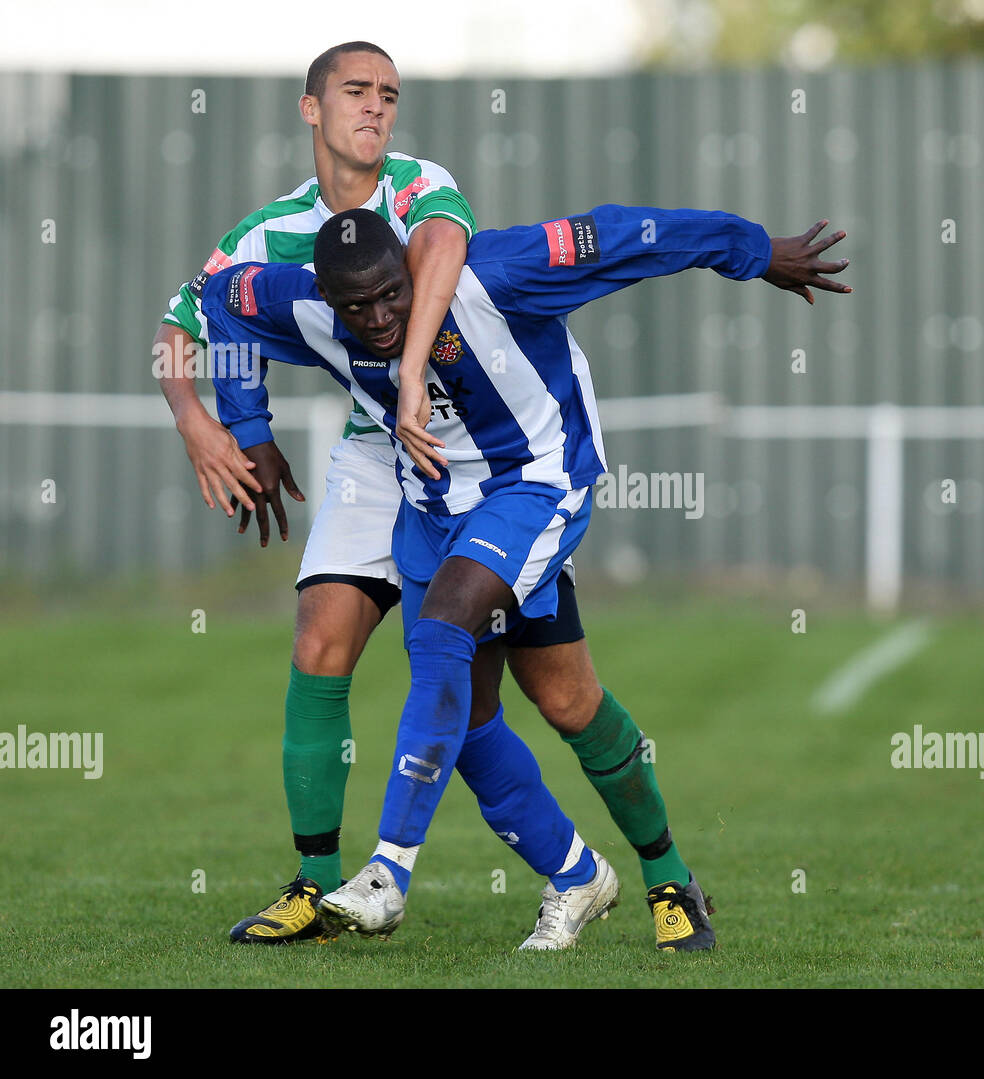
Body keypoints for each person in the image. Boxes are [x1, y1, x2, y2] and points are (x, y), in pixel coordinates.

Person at [157, 40, 713, 951]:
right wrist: (207, 421)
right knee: (320, 640)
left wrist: (411, 369)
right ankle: (321, 884)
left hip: (483, 459)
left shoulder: (420, 189)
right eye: (355, 92)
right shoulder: (266, 235)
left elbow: (450, 246)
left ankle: (661, 873)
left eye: (389, 94)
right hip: (378, 460)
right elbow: (194, 318)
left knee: (566, 698)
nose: (376, 108)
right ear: (311, 109)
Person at [199, 203, 851, 942]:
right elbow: (219, 303)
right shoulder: (302, 302)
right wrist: (248, 429)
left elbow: (638, 235)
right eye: (357, 306)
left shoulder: (500, 273)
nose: (378, 317)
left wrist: (756, 249)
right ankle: (578, 875)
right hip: (434, 511)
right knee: (517, 713)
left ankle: (400, 870)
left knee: (446, 637)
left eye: (392, 294)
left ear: (414, 269)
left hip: (535, 486)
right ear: (328, 297)